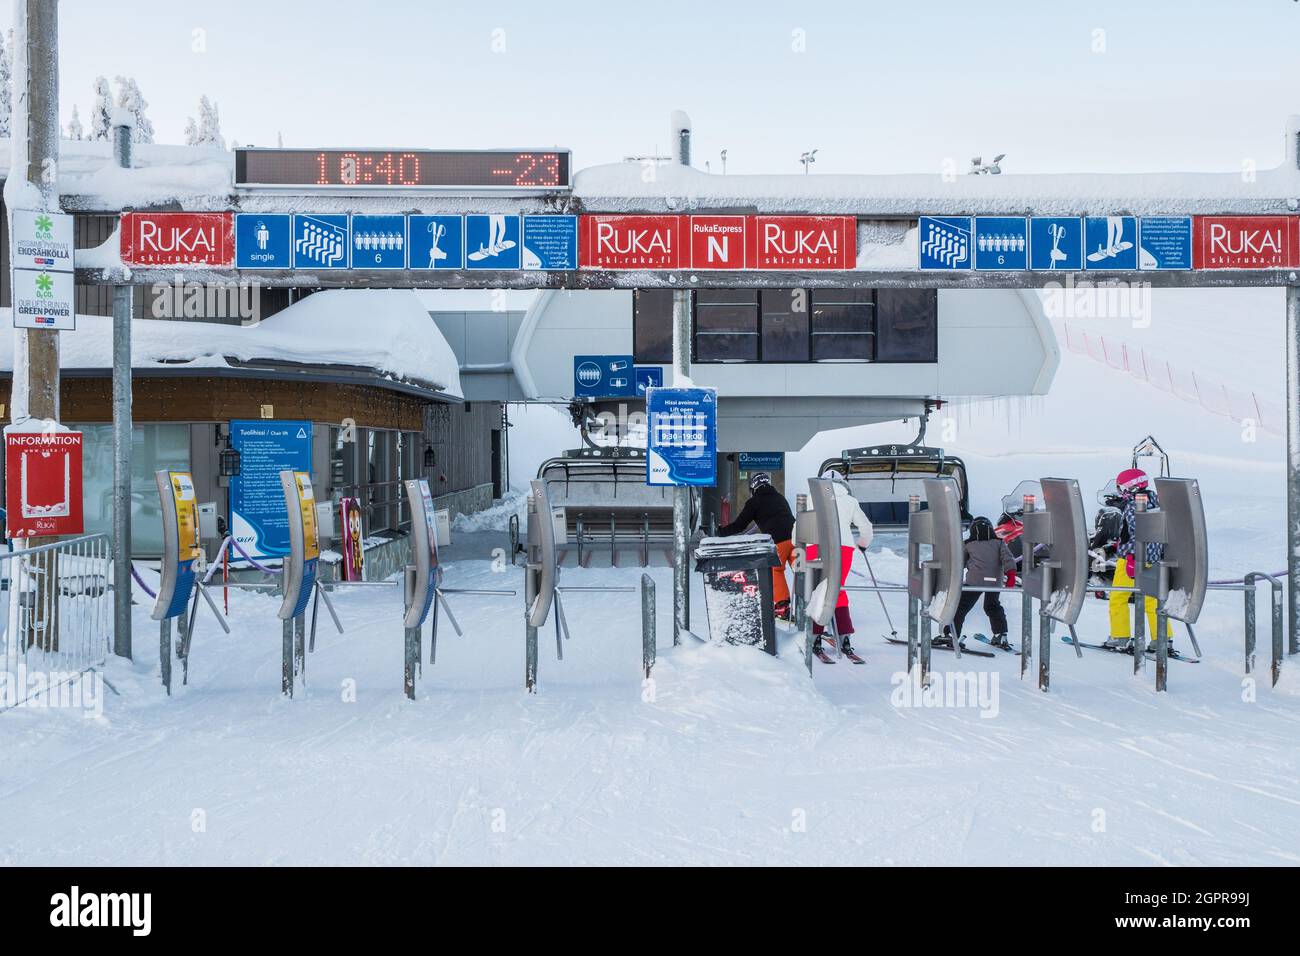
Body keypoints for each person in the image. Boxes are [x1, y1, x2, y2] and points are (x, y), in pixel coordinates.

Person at [1104, 468, 1173, 651]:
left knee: (1118, 597)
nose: (1120, 493)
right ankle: (1163, 638)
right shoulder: (1155, 499)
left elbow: (1138, 532)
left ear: (1130, 487)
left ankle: (1120, 636)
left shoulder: (1134, 505)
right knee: (1153, 599)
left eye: (1121, 489)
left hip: (1131, 559)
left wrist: (1132, 557)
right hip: (1154, 557)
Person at [806, 471, 873, 654]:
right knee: (837, 588)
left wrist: (799, 545)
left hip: (815, 546)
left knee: (817, 590)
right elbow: (866, 527)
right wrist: (862, 544)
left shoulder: (811, 498)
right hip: (843, 549)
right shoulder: (850, 501)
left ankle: (815, 636)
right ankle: (844, 637)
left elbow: (800, 525)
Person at [718, 472, 796, 620]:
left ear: (753, 487)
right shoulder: (780, 497)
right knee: (802, 572)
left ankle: (782, 606)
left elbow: (739, 525)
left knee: (776, 571)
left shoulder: (755, 502)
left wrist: (721, 531)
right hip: (796, 540)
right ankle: (812, 603)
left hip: (779, 541)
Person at [942, 516, 1016, 649]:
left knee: (960, 608)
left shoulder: (969, 544)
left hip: (974, 582)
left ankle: (951, 635)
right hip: (994, 582)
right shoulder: (999, 543)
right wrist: (1010, 575)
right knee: (992, 606)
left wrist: (951, 579)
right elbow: (1008, 559)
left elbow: (959, 564)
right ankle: (1001, 634)